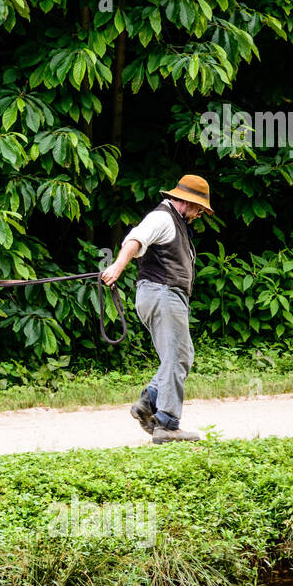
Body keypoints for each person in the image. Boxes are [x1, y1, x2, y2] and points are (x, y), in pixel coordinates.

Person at [99, 175, 213, 443]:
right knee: (177, 357)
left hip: (163, 295)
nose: (199, 214)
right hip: (163, 293)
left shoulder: (176, 222)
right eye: (199, 208)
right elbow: (134, 240)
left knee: (181, 356)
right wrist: (117, 267)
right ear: (186, 202)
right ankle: (167, 425)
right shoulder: (162, 217)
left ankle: (148, 401)